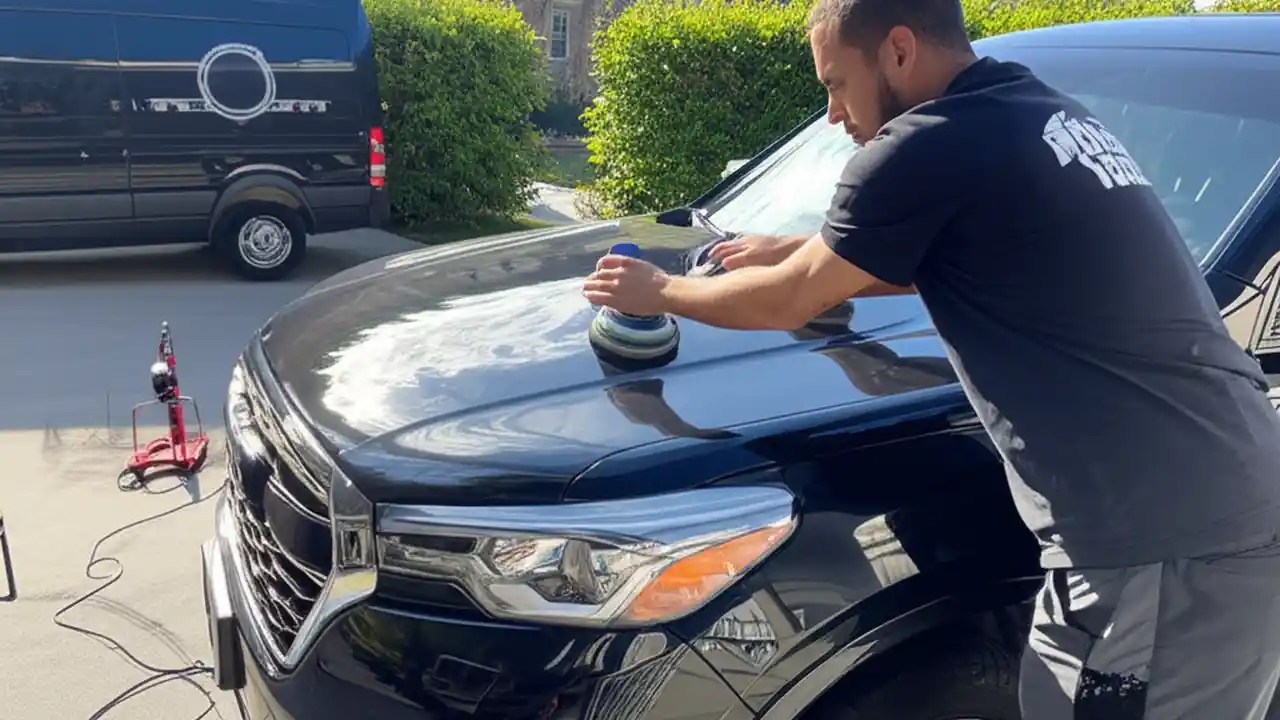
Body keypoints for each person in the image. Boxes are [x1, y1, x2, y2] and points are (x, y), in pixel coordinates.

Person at [581, 0, 1280, 717]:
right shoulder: (1031, 108)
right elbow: (984, 252)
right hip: (1221, 502)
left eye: (836, 84)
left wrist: (662, 289)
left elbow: (787, 303)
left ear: (899, 51)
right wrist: (809, 253)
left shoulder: (924, 142)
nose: (833, 114)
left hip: (1160, 549)